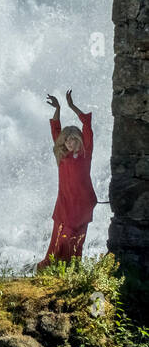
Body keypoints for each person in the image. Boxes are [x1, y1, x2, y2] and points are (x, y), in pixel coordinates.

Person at [37, 90, 97, 273]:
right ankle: (52, 269)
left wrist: (72, 106)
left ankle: (72, 271)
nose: (70, 142)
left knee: (76, 240)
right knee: (61, 238)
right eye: (67, 140)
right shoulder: (62, 156)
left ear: (79, 140)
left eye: (74, 139)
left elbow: (86, 124)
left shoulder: (85, 154)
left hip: (82, 205)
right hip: (65, 204)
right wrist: (58, 108)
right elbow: (55, 128)